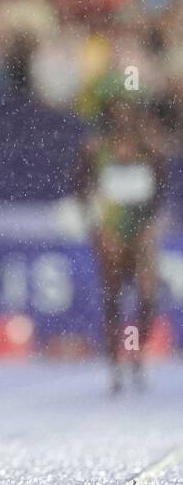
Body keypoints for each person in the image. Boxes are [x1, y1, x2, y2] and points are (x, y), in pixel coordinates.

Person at [74, 94, 167, 394]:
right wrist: (94, 224)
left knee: (147, 298)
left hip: (139, 230)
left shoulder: (149, 150)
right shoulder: (95, 150)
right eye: (117, 117)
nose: (123, 122)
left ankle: (136, 351)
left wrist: (151, 224)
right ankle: (115, 366)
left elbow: (159, 190)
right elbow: (79, 188)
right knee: (113, 298)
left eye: (128, 117)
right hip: (111, 229)